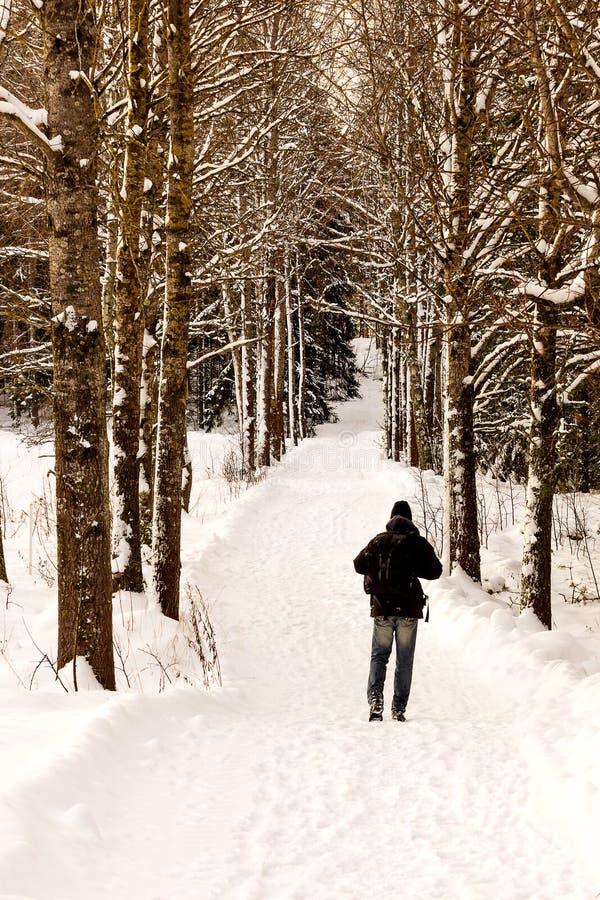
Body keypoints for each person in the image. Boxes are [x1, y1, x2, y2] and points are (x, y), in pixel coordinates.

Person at [353, 500, 442, 722]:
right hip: (409, 611)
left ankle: (375, 701)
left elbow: (358, 565)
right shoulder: (416, 542)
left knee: (379, 655)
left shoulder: (378, 540)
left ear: (391, 519)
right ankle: (399, 708)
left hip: (382, 608)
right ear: (409, 519)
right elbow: (436, 571)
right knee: (404, 660)